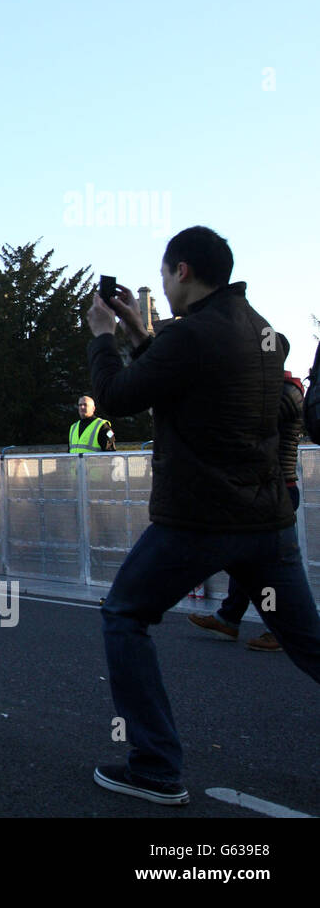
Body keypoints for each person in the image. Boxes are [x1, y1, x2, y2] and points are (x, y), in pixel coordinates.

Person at [88, 226, 320, 806]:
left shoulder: (193, 336)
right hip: (266, 521)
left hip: (199, 519)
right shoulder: (260, 329)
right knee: (308, 641)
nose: (163, 287)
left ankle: (156, 767)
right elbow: (182, 381)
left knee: (123, 614)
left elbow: (117, 396)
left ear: (182, 271)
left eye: (165, 275)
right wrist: (142, 335)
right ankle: (155, 765)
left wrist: (101, 337)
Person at [188, 365, 306, 652]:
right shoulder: (278, 392)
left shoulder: (286, 394)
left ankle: (279, 629)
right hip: (265, 491)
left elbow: (249, 431)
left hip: (276, 491)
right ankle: (230, 618)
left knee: (268, 565)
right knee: (247, 560)